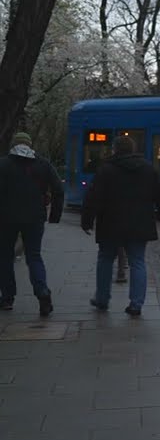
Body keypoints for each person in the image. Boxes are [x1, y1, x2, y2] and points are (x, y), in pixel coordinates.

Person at [81, 135, 160, 316]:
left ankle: (102, 299)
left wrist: (87, 220)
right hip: (140, 223)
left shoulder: (106, 170)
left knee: (105, 259)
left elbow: (94, 197)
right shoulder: (148, 169)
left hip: (110, 223)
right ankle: (136, 304)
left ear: (115, 149)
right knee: (137, 261)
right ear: (133, 149)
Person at [0, 131, 64, 315]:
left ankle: (7, 298)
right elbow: (58, 189)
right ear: (29, 145)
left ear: (13, 145)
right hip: (35, 217)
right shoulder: (42, 164)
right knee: (34, 256)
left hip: (6, 218)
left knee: (5, 256)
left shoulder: (3, 164)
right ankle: (42, 293)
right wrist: (54, 216)